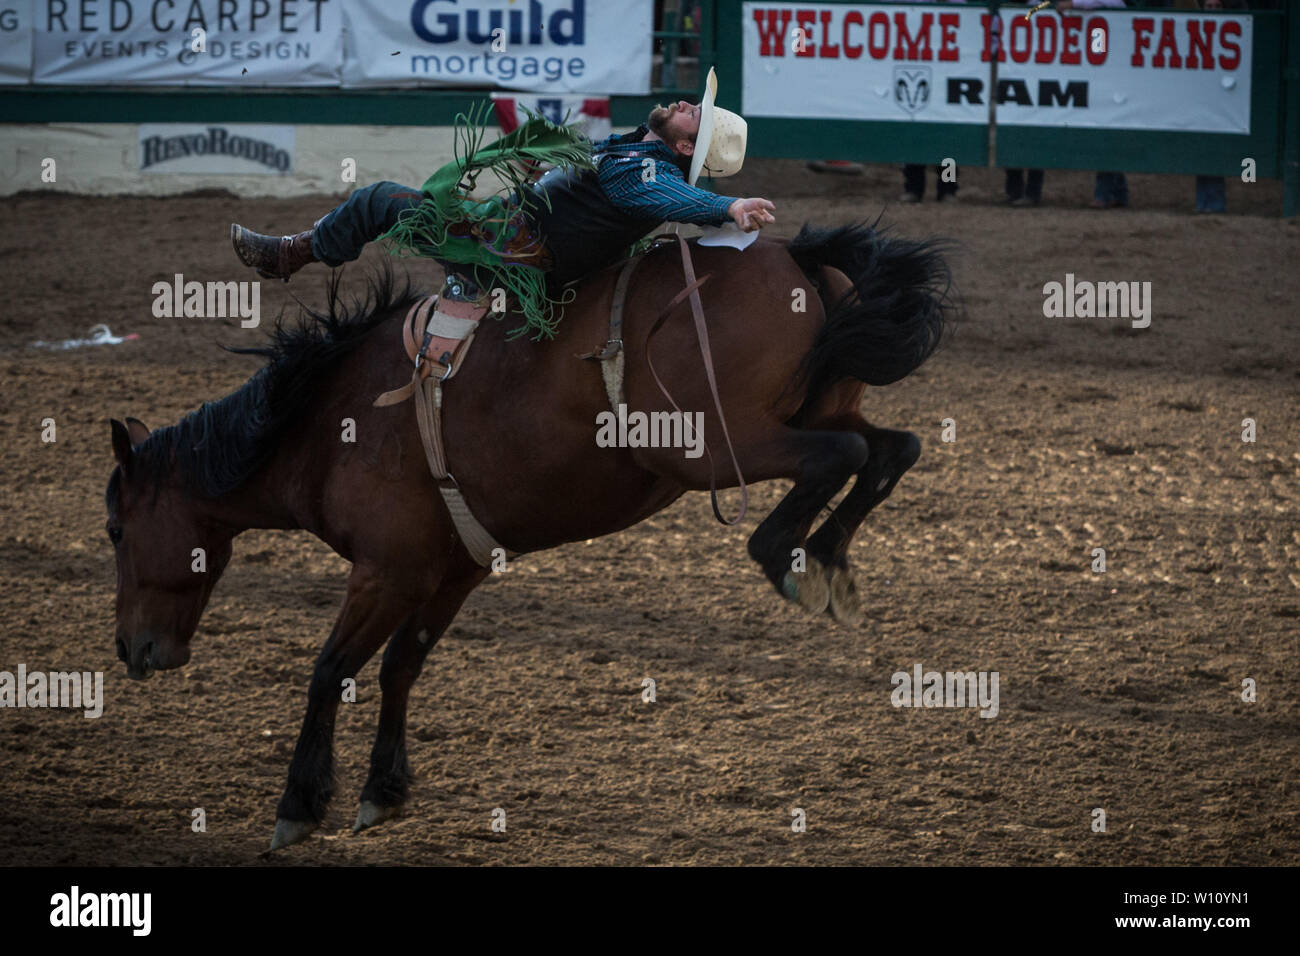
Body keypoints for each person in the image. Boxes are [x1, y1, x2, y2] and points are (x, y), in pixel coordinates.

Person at [230, 69, 775, 340]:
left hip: (515, 250)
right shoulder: (637, 150)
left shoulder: (649, 171)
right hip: (523, 234)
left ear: (686, 147)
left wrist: (724, 209)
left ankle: (290, 254)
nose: (685, 102)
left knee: (379, 200)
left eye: (695, 115)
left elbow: (666, 194)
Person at [1056, 0, 1129, 209]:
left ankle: (1106, 193)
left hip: (1114, 70)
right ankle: (1117, 192)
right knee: (1108, 131)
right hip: (1106, 70)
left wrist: (1070, 4)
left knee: (1107, 131)